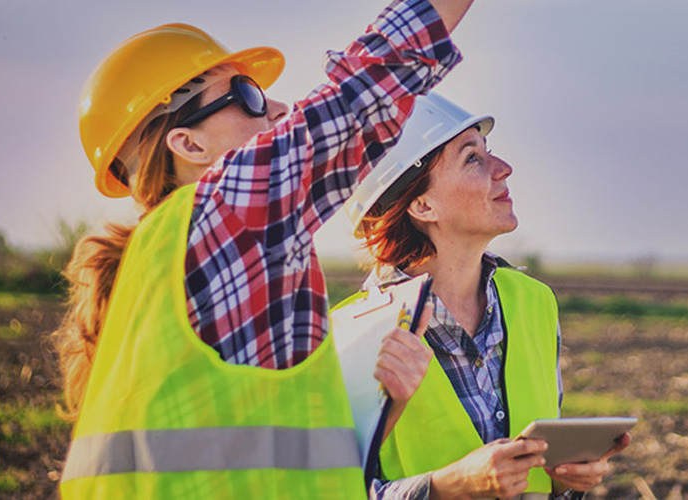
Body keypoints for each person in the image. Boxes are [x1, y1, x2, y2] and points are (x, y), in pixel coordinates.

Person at [52, 1, 475, 497]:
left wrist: (379, 408)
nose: (279, 108)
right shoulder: (227, 215)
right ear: (188, 145)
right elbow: (362, 92)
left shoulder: (145, 272)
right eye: (247, 95)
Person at [335, 93, 631, 500]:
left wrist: (561, 479)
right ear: (422, 204)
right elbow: (331, 491)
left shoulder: (534, 301)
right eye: (472, 158)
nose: (504, 169)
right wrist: (446, 488)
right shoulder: (351, 335)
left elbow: (537, 473)